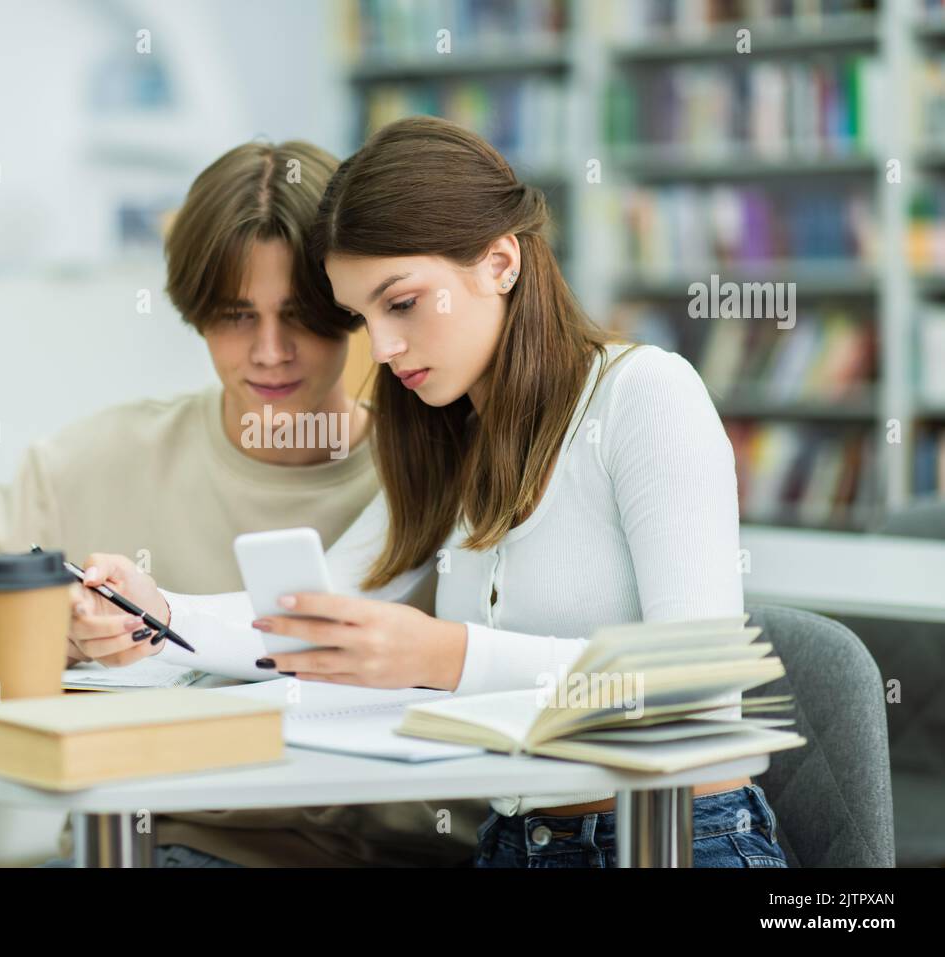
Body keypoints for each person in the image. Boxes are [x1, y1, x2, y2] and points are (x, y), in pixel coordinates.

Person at [66, 116, 790, 868]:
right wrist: (160, 612)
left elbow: (697, 691)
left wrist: (448, 653)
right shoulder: (449, 435)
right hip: (518, 844)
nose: (381, 348)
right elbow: (310, 618)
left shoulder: (648, 394)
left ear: (500, 262)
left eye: (402, 303)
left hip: (678, 839)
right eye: (361, 316)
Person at [0, 137, 491, 867]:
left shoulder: (441, 473)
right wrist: (50, 625)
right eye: (235, 316)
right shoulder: (110, 453)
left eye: (301, 314)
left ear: (352, 309)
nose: (270, 352)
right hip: (156, 843)